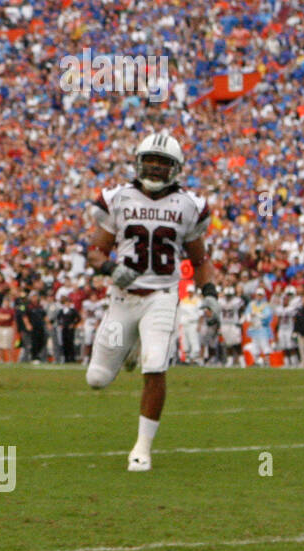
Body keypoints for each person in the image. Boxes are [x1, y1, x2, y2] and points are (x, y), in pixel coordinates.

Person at [84, 133, 218, 471]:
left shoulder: (189, 205)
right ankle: (130, 346)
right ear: (139, 162)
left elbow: (199, 260)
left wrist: (211, 293)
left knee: (156, 363)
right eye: (151, 161)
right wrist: (112, 268)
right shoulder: (118, 198)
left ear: (176, 168)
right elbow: (96, 252)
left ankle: (142, 448)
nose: (156, 168)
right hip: (122, 298)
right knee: (97, 379)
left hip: (161, 295)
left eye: (163, 163)